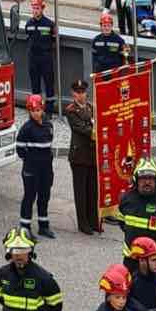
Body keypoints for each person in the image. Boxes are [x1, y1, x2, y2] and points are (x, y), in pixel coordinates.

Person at [116, 155, 156, 256]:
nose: (147, 182)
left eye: (151, 178)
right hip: (131, 260)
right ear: (136, 180)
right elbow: (122, 222)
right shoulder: (126, 200)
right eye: (143, 178)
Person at [17, 93, 54, 240]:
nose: (36, 113)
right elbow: (20, 149)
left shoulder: (48, 125)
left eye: (38, 110)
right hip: (31, 169)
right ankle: (25, 227)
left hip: (46, 169)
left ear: (43, 109)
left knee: (44, 196)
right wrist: (31, 161)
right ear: (29, 111)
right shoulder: (26, 129)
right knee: (29, 197)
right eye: (33, 111)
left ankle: (43, 226)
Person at [65, 79, 100, 234]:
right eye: (78, 93)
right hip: (79, 156)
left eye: (83, 92)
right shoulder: (71, 110)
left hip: (92, 155)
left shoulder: (92, 107)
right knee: (81, 191)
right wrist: (97, 131)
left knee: (93, 190)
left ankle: (93, 221)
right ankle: (83, 223)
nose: (81, 95)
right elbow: (82, 128)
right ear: (73, 94)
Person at [22, 0, 56, 113]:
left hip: (46, 58)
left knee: (49, 84)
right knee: (35, 85)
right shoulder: (29, 24)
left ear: (42, 9)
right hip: (33, 58)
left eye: (37, 8)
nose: (35, 11)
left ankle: (49, 110)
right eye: (34, 8)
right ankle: (36, 108)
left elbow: (54, 39)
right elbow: (28, 35)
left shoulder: (49, 24)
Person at [91, 11, 127, 78]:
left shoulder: (119, 40)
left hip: (114, 73)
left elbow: (124, 56)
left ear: (112, 26)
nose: (107, 28)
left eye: (108, 26)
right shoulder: (96, 40)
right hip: (100, 72)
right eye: (104, 26)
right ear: (101, 26)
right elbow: (94, 57)